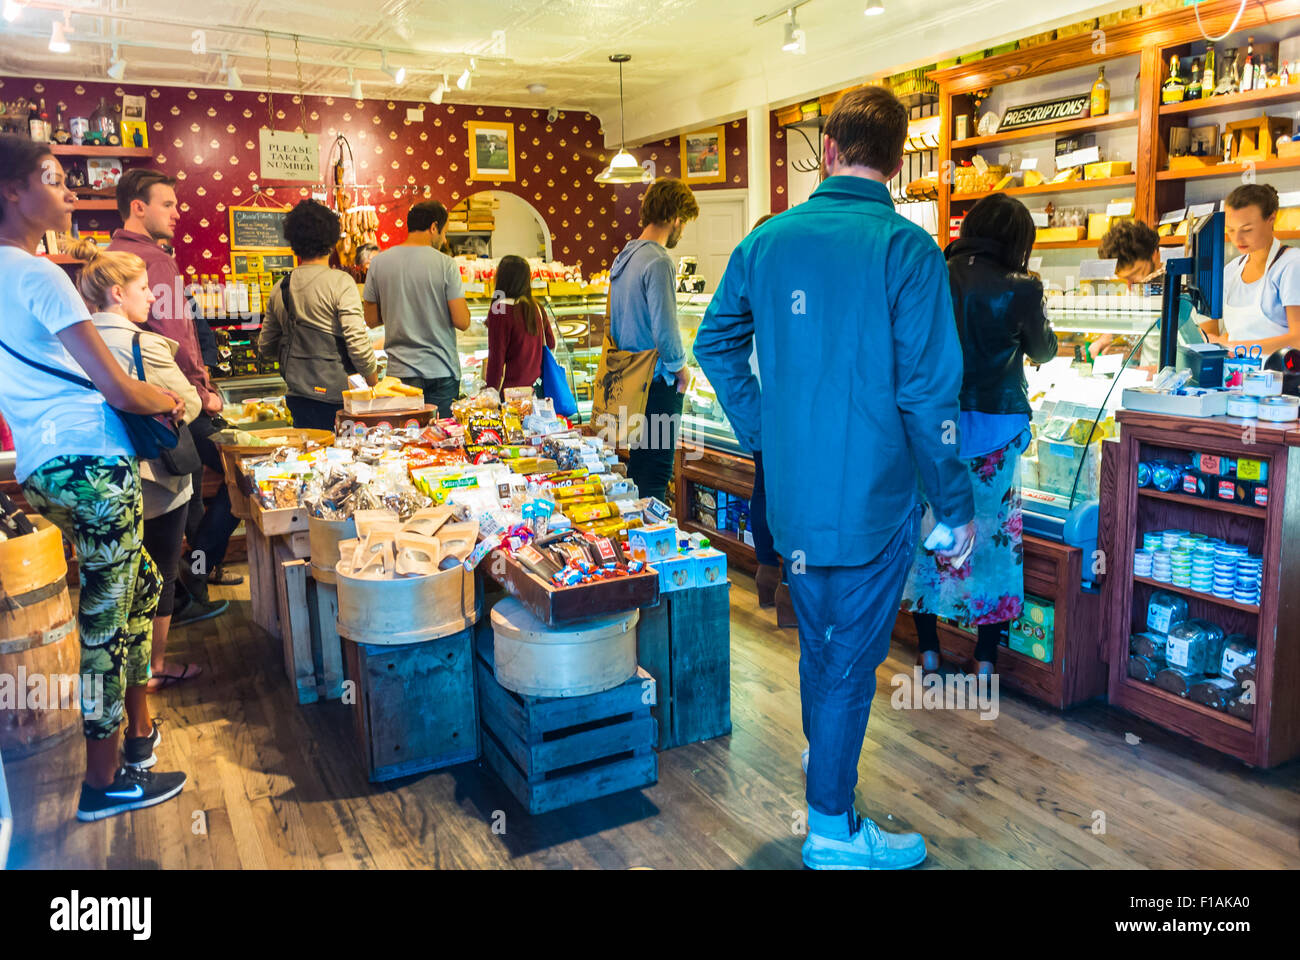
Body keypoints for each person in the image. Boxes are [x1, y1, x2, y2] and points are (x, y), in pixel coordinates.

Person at [692, 86, 974, 870]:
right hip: (875, 500)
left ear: (827, 149)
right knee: (847, 659)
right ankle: (829, 830)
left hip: (790, 496)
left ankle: (835, 808)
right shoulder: (909, 250)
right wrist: (954, 505)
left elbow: (714, 344)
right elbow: (927, 395)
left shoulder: (767, 239)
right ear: (896, 157)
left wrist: (765, 430)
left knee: (822, 652)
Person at [0, 134, 188, 820]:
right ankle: (104, 783)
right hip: (91, 463)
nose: (69, 191)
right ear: (12, 192)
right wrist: (168, 400)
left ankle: (139, 737)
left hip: (42, 464)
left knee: (141, 585)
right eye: (51, 178)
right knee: (108, 625)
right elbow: (117, 387)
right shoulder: (39, 276)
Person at [901, 194, 1058, 677]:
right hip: (996, 426)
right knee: (993, 539)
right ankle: (985, 658)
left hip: (933, 424)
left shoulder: (933, 272)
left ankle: (928, 650)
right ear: (1017, 241)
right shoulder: (1023, 287)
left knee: (932, 527)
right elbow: (1045, 350)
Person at [75, 240, 206, 692]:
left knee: (112, 580)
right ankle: (151, 667)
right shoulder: (141, 343)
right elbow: (186, 403)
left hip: (95, 478)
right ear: (116, 292)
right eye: (144, 288)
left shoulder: (70, 340)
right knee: (161, 574)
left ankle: (112, 674)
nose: (153, 297)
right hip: (154, 479)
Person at [108, 169, 233, 623]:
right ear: (138, 207)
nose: (178, 213)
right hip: (179, 398)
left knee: (188, 497)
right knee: (239, 486)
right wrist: (202, 389)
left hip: (142, 402)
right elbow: (177, 333)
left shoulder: (112, 254)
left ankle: (190, 583)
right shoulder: (153, 261)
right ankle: (192, 577)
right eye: (168, 204)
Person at [607, 177, 699, 502]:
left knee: (640, 468)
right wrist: (682, 371)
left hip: (629, 380)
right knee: (657, 472)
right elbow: (666, 331)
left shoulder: (625, 258)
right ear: (676, 218)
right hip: (657, 384)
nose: (682, 230)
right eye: (684, 222)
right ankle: (653, 548)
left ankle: (633, 541)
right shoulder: (659, 261)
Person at [259, 200, 378, 430]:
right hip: (338, 398)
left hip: (298, 397)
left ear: (293, 242)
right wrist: (374, 382)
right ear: (332, 241)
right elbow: (357, 343)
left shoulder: (281, 287)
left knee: (308, 460)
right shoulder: (341, 282)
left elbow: (265, 347)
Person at [735, 212, 796, 628]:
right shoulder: (794, 289)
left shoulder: (749, 289)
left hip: (760, 408)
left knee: (764, 485)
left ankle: (764, 571)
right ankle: (791, 586)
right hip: (791, 412)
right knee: (793, 496)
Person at [362, 200, 471, 418]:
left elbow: (371, 320)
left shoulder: (379, 263)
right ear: (433, 227)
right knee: (441, 444)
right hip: (441, 371)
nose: (444, 238)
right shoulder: (446, 264)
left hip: (400, 374)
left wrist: (399, 308)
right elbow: (462, 321)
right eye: (444, 231)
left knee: (405, 442)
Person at [1203, 183, 1300, 351]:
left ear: (1271, 219)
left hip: (1282, 375)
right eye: (1231, 230)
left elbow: (1297, 339)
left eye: (1247, 229)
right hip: (1238, 375)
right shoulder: (1231, 270)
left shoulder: (1292, 264)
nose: (1237, 239)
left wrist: (1235, 348)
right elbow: (1235, 334)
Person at [484, 253, 555, 395]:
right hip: (537, 390)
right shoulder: (537, 308)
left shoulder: (500, 309)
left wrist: (490, 392)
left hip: (511, 394)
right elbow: (551, 344)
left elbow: (496, 359)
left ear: (502, 279)